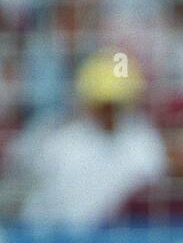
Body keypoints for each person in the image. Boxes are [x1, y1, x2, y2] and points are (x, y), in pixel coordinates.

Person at [13, 51, 165, 228]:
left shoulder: (145, 142)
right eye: (103, 104)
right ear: (88, 102)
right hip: (66, 240)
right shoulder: (61, 144)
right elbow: (40, 207)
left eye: (115, 105)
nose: (109, 112)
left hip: (125, 240)